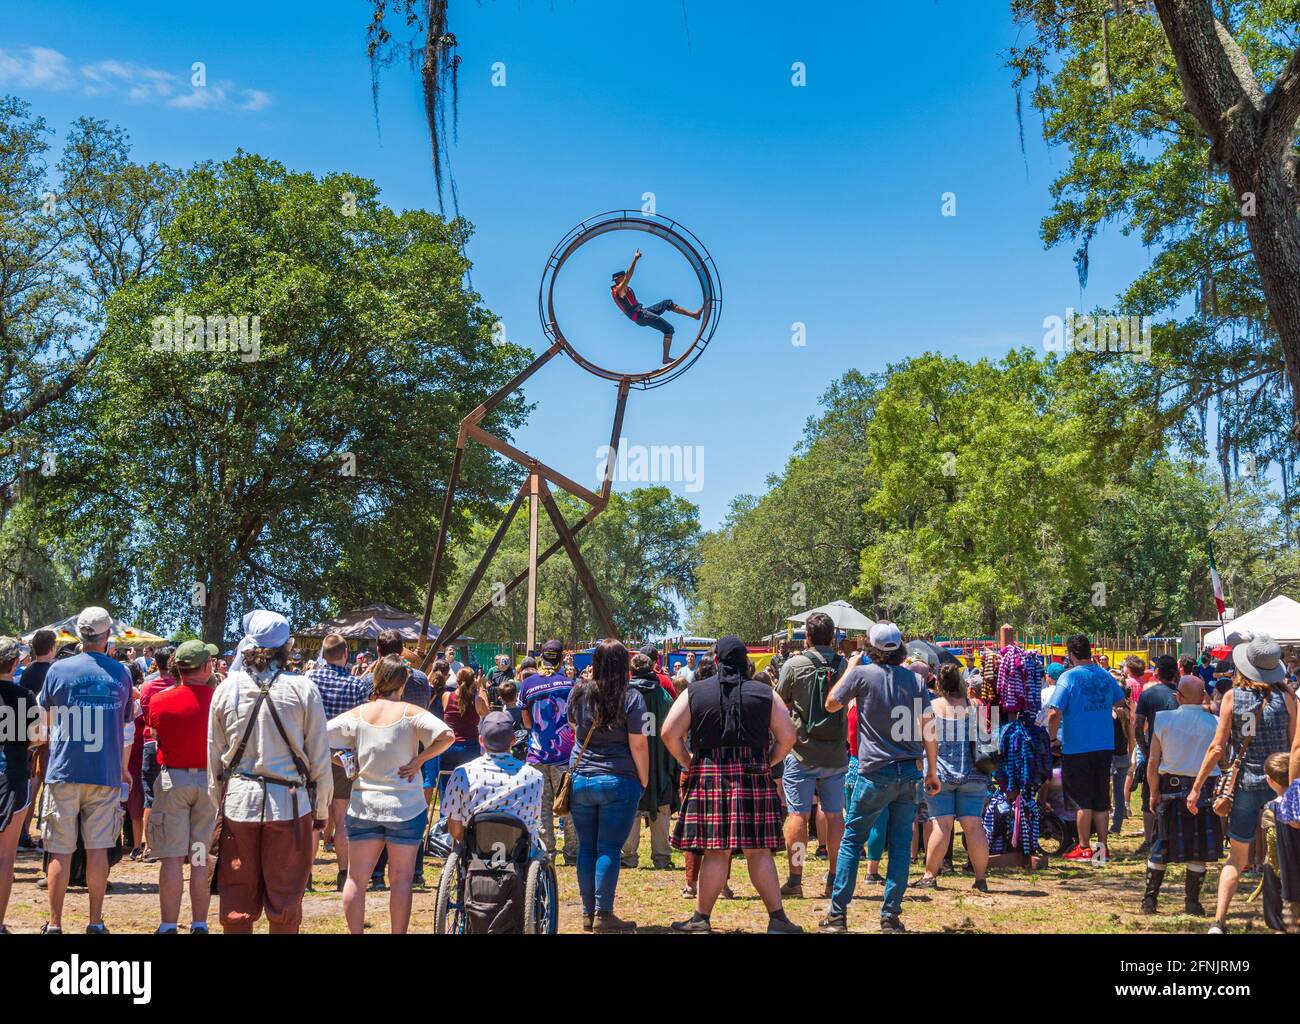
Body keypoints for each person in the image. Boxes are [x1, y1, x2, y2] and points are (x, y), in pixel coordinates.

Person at [663, 635, 801, 934]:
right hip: (754, 773)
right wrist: (768, 761)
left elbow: (668, 733)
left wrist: (689, 762)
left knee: (716, 851)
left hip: (711, 773)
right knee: (759, 851)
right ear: (745, 663)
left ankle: (701, 918)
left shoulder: (695, 692)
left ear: (716, 661)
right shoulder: (765, 693)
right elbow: (788, 736)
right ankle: (777, 919)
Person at [207, 611, 333, 934]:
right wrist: (320, 812)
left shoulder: (225, 690)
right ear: (286, 649)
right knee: (287, 904)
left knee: (236, 904)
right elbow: (320, 759)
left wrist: (219, 805)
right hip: (289, 807)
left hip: (239, 805)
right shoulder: (304, 689)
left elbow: (215, 760)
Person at [819, 622, 939, 934]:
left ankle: (837, 916)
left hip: (874, 773)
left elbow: (831, 703)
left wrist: (851, 667)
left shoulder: (861, 674)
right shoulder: (915, 680)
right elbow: (929, 727)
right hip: (910, 773)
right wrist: (933, 771)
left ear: (871, 648)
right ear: (901, 647)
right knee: (900, 846)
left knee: (851, 841)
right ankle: (890, 917)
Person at [327, 654, 453, 934]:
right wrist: (420, 761)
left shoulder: (359, 713)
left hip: (363, 806)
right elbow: (447, 736)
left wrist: (347, 762)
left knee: (356, 879)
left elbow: (319, 738)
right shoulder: (411, 713)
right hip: (405, 807)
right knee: (402, 879)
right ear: (404, 682)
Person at [33, 607, 135, 934]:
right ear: (107, 637)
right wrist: (122, 768)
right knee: (97, 851)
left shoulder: (58, 671)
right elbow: (126, 725)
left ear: (79, 635)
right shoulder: (121, 674)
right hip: (104, 772)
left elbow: (43, 723)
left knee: (60, 850)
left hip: (64, 769)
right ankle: (95, 921)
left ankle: (54, 923)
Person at [1188, 633, 1297, 933]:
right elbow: (1293, 746)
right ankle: (1281, 921)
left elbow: (1218, 747)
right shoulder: (1288, 698)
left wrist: (1197, 786)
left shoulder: (1233, 698)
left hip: (1246, 783)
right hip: (1282, 785)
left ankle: (1219, 921)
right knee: (1284, 855)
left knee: (1236, 857)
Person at [565, 639, 648, 932]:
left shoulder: (579, 692)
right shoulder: (632, 697)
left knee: (587, 847)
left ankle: (589, 914)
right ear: (625, 664)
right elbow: (638, 744)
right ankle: (603, 913)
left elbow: (574, 727)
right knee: (609, 848)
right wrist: (644, 779)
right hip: (618, 778)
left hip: (581, 778)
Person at [145, 640, 219, 934]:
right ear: (205, 667)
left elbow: (156, 735)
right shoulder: (218, 699)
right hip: (207, 783)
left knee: (172, 858)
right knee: (200, 857)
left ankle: (167, 925)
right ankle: (199, 923)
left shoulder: (160, 700)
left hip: (173, 780)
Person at [776, 610, 847, 899]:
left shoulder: (794, 665)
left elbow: (780, 701)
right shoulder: (844, 666)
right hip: (835, 755)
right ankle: (833, 878)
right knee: (834, 816)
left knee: (797, 814)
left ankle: (795, 879)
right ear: (831, 636)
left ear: (807, 637)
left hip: (801, 752)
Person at [1044, 633, 1128, 864]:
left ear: (1070, 655)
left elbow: (1054, 712)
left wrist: (1052, 739)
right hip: (1104, 745)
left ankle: (1084, 847)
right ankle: (1102, 849)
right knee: (1100, 798)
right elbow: (1120, 700)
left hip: (1077, 746)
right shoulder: (1104, 675)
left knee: (1081, 800)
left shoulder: (1068, 677)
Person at [1141, 675, 1221, 916]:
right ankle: (1192, 903)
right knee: (1198, 850)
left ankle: (1150, 900)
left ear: (1179, 696)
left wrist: (1153, 792)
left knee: (1161, 845)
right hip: (1203, 790)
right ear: (1203, 696)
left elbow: (1153, 760)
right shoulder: (1216, 722)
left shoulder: (1163, 719)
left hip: (1170, 788)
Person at [916, 663, 991, 891]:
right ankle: (980, 879)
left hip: (939, 775)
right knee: (974, 827)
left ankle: (929, 876)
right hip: (973, 776)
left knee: (941, 825)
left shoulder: (929, 707)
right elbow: (987, 739)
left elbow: (920, 741)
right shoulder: (973, 706)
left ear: (938, 683)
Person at [308, 632, 372, 891]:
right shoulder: (356, 686)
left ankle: (307, 876)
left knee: (314, 818)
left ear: (323, 655)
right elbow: (363, 726)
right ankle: (344, 875)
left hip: (313, 755)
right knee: (342, 817)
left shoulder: (309, 679)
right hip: (344, 759)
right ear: (345, 654)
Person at [443, 711, 545, 846]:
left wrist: (473, 844)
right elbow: (535, 817)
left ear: (481, 740)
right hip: (519, 851)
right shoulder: (534, 776)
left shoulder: (462, 774)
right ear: (513, 740)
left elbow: (455, 829)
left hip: (477, 850)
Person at [520, 640, 578, 863]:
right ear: (562, 658)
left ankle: (547, 853)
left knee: (541, 807)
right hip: (564, 755)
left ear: (541, 657)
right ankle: (572, 853)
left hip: (536, 754)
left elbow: (526, 723)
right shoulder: (569, 684)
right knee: (568, 805)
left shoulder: (527, 684)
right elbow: (574, 721)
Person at [620, 652, 678, 871]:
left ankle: (628, 856)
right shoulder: (663, 695)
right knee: (662, 805)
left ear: (632, 671)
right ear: (652, 668)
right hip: (660, 757)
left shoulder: (624, 695)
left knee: (630, 806)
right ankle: (662, 856)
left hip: (630, 757)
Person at [0, 637, 36, 933]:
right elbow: (37, 737)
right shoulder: (24, 696)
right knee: (6, 857)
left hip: (12, 775)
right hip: (12, 778)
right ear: (15, 663)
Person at [610, 251, 704, 364]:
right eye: (623, 278)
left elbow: (627, 277)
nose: (625, 279)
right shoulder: (619, 290)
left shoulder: (621, 288)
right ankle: (666, 358)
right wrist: (635, 259)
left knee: (667, 303)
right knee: (669, 329)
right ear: (621, 278)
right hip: (640, 316)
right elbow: (629, 275)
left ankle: (694, 315)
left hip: (642, 312)